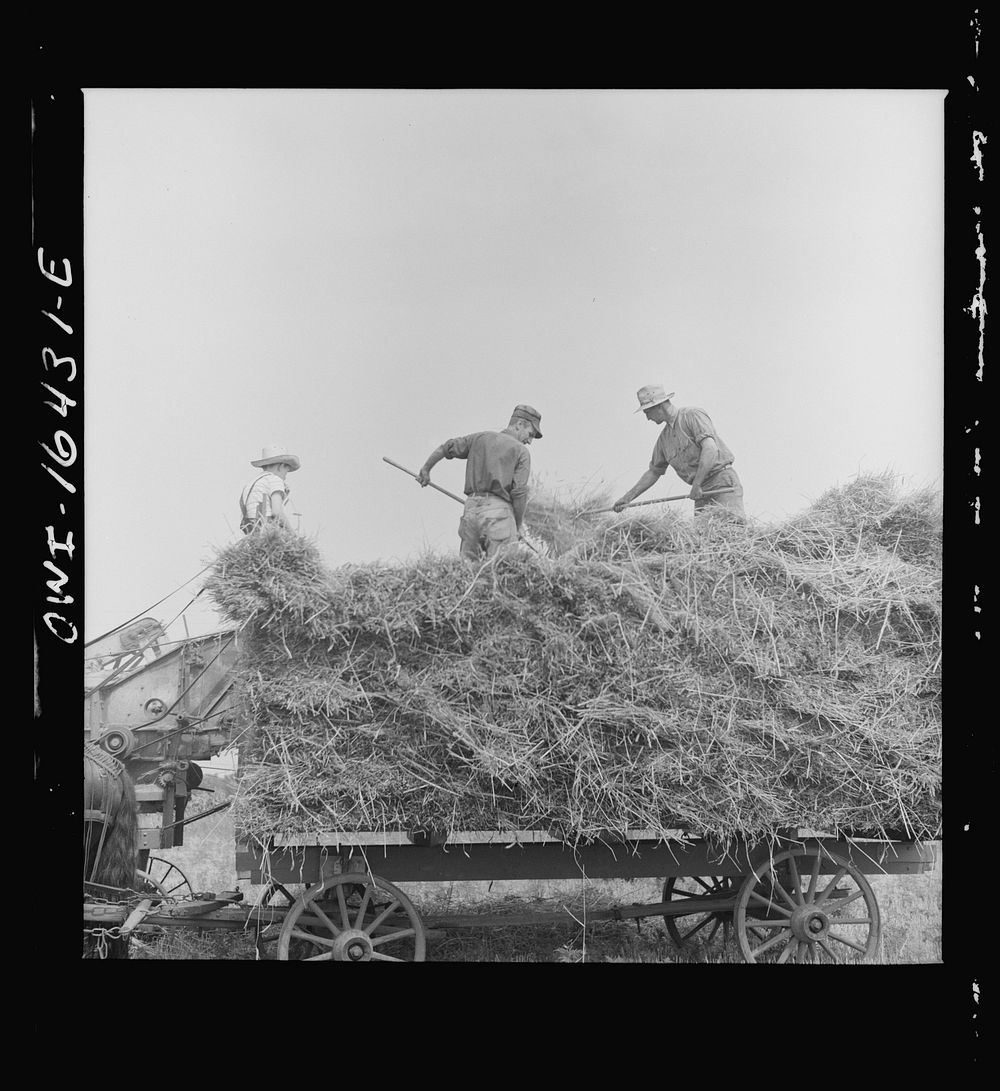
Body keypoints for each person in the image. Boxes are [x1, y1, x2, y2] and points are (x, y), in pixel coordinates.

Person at [417, 404, 543, 560]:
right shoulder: (521, 451)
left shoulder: (479, 438)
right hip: (499, 515)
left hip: (471, 512)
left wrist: (426, 469)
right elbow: (519, 493)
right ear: (520, 424)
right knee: (503, 568)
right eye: (530, 434)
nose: (530, 441)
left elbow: (445, 448)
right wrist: (517, 526)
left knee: (469, 569)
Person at [612, 385, 745, 517]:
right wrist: (627, 498)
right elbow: (653, 472)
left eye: (647, 412)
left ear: (659, 406)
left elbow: (710, 449)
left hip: (722, 484)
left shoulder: (691, 415)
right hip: (700, 491)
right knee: (703, 531)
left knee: (729, 526)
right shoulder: (664, 440)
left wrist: (697, 483)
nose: (648, 418)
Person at [240, 444, 300, 533]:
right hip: (266, 527)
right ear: (280, 466)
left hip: (251, 529)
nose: (285, 477)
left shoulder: (250, 484)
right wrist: (292, 534)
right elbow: (277, 512)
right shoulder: (275, 480)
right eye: (286, 472)